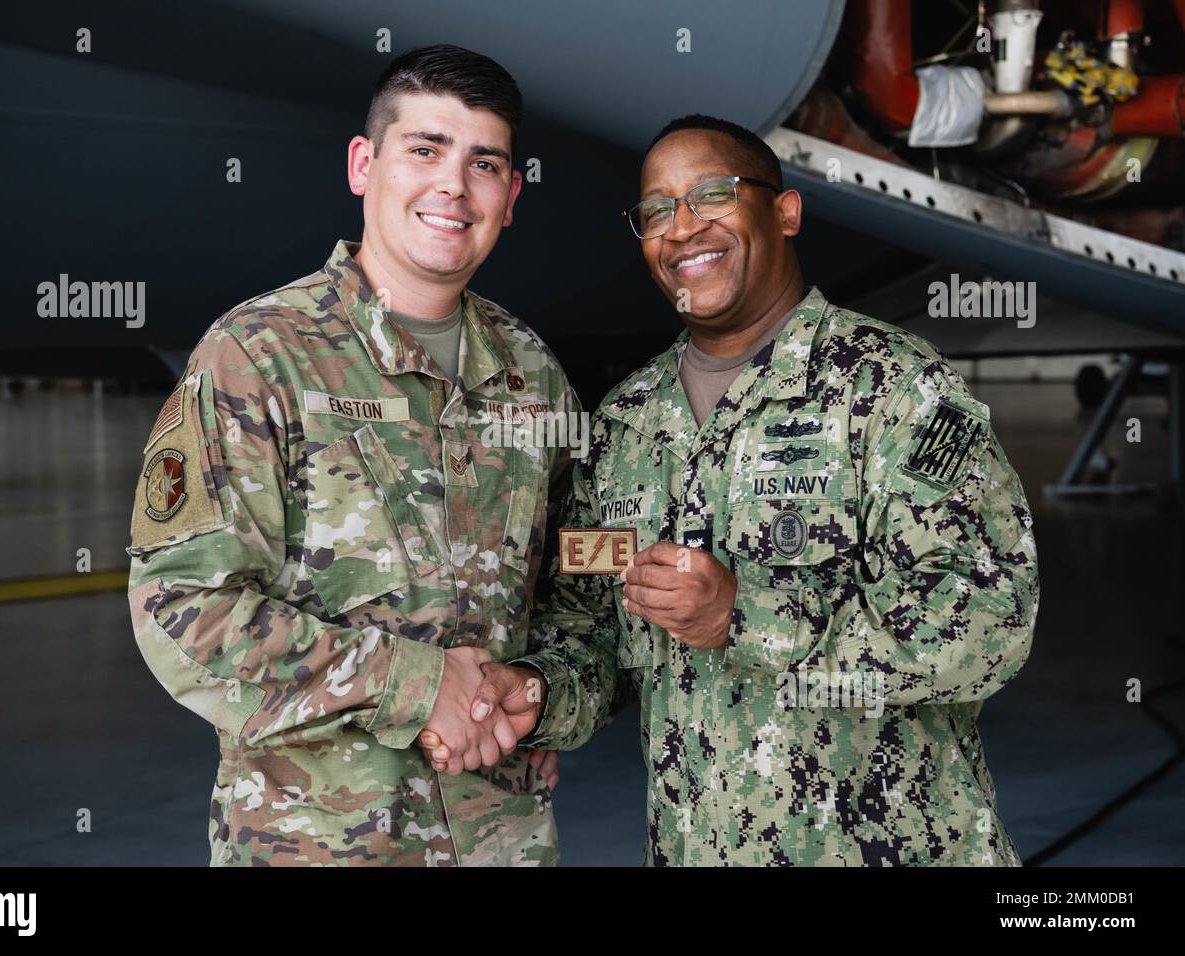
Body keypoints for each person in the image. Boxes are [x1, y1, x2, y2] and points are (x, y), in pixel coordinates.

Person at [424, 114, 1040, 866]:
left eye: (712, 195)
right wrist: (536, 692)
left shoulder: (892, 387)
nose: (682, 228)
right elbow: (594, 631)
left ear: (784, 212)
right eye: (656, 210)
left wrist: (743, 612)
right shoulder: (625, 422)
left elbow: (988, 622)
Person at [126, 45, 575, 866]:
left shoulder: (532, 375)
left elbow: (580, 594)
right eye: (425, 150)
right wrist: (418, 684)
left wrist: (537, 693)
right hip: (318, 846)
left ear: (510, 198)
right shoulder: (258, 356)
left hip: (503, 842)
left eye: (485, 163)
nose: (453, 186)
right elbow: (182, 609)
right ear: (364, 164)